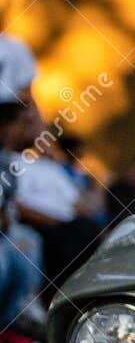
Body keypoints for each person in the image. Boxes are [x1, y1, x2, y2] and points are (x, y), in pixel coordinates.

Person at [11, 118, 102, 301]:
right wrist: (54, 222)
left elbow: (76, 203)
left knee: (91, 230)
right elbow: (17, 205)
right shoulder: (13, 163)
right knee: (75, 236)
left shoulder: (52, 168)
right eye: (27, 126)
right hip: (42, 224)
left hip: (69, 223)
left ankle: (89, 295)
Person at [0, 101, 45, 343]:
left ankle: (17, 315)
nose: (24, 131)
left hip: (9, 231)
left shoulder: (9, 159)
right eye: (21, 124)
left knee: (29, 241)